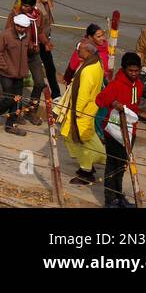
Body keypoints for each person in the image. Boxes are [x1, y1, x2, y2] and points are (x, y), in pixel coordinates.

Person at [95, 52, 145, 207]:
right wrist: (114, 103)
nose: (134, 74)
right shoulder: (116, 84)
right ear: (124, 69)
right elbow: (99, 99)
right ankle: (110, 200)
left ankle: (119, 196)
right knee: (112, 164)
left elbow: (136, 105)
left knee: (122, 165)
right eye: (131, 71)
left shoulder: (140, 85)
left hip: (130, 131)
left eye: (137, 71)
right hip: (113, 131)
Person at [57, 41, 106, 187]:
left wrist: (76, 112)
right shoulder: (97, 63)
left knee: (80, 141)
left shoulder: (87, 70)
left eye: (80, 51)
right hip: (90, 110)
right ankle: (95, 163)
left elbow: (83, 94)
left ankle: (86, 173)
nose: (77, 54)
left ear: (88, 52)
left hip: (82, 112)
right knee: (88, 139)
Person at [0, 13, 33, 135]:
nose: (20, 29)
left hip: (19, 74)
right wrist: (5, 67)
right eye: (18, 26)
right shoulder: (6, 35)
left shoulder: (27, 36)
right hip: (5, 73)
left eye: (23, 27)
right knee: (9, 98)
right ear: (15, 24)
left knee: (17, 99)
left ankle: (10, 125)